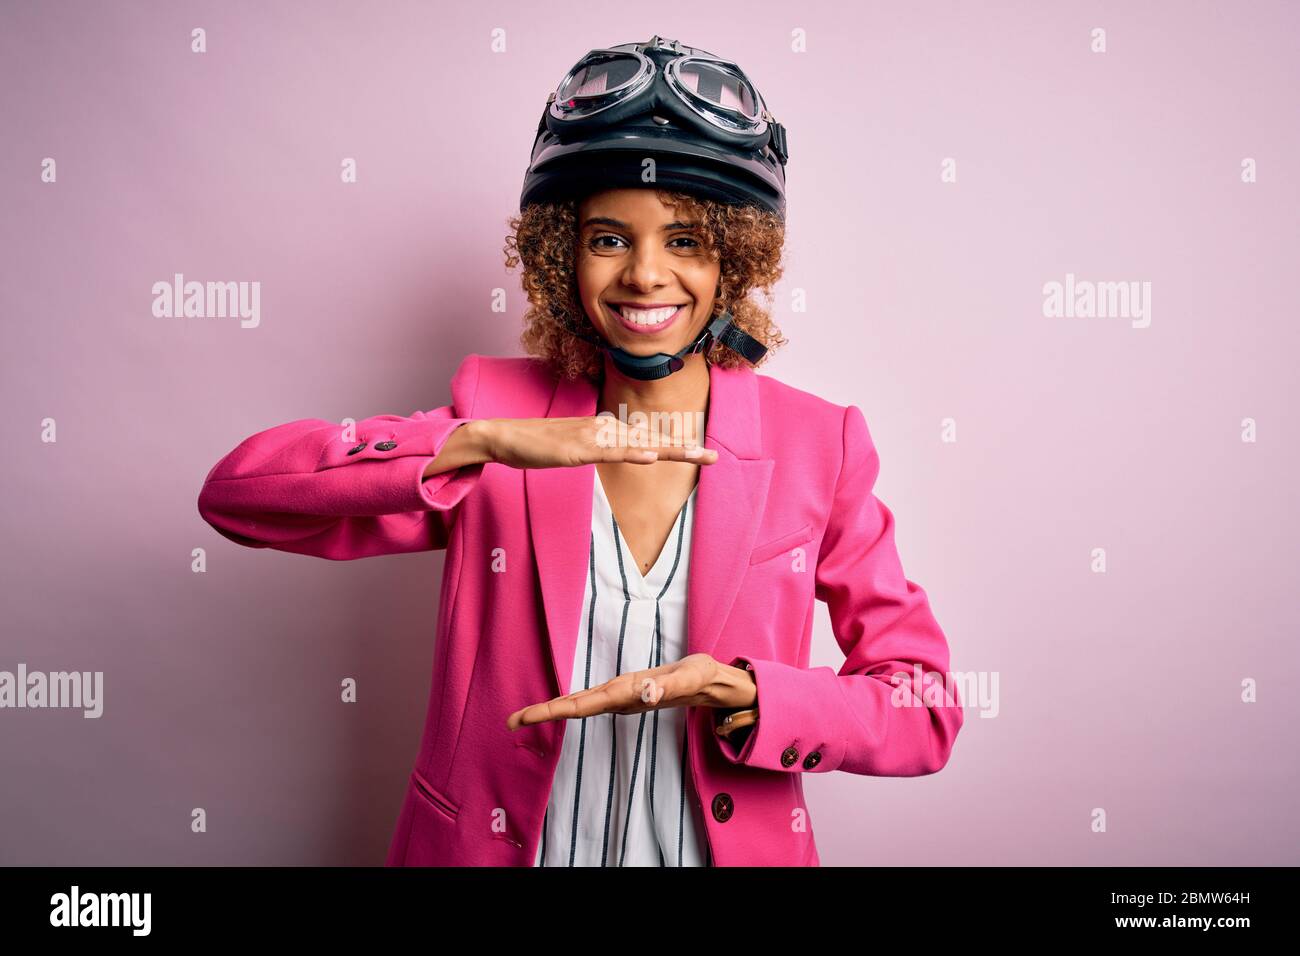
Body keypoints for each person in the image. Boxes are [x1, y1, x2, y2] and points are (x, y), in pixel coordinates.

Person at [196, 35, 963, 867]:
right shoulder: (494, 414)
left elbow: (924, 706)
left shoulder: (822, 444)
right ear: (562, 253)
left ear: (734, 259)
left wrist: (753, 694)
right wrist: (472, 440)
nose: (643, 274)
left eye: (685, 240)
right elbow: (239, 495)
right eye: (607, 239)